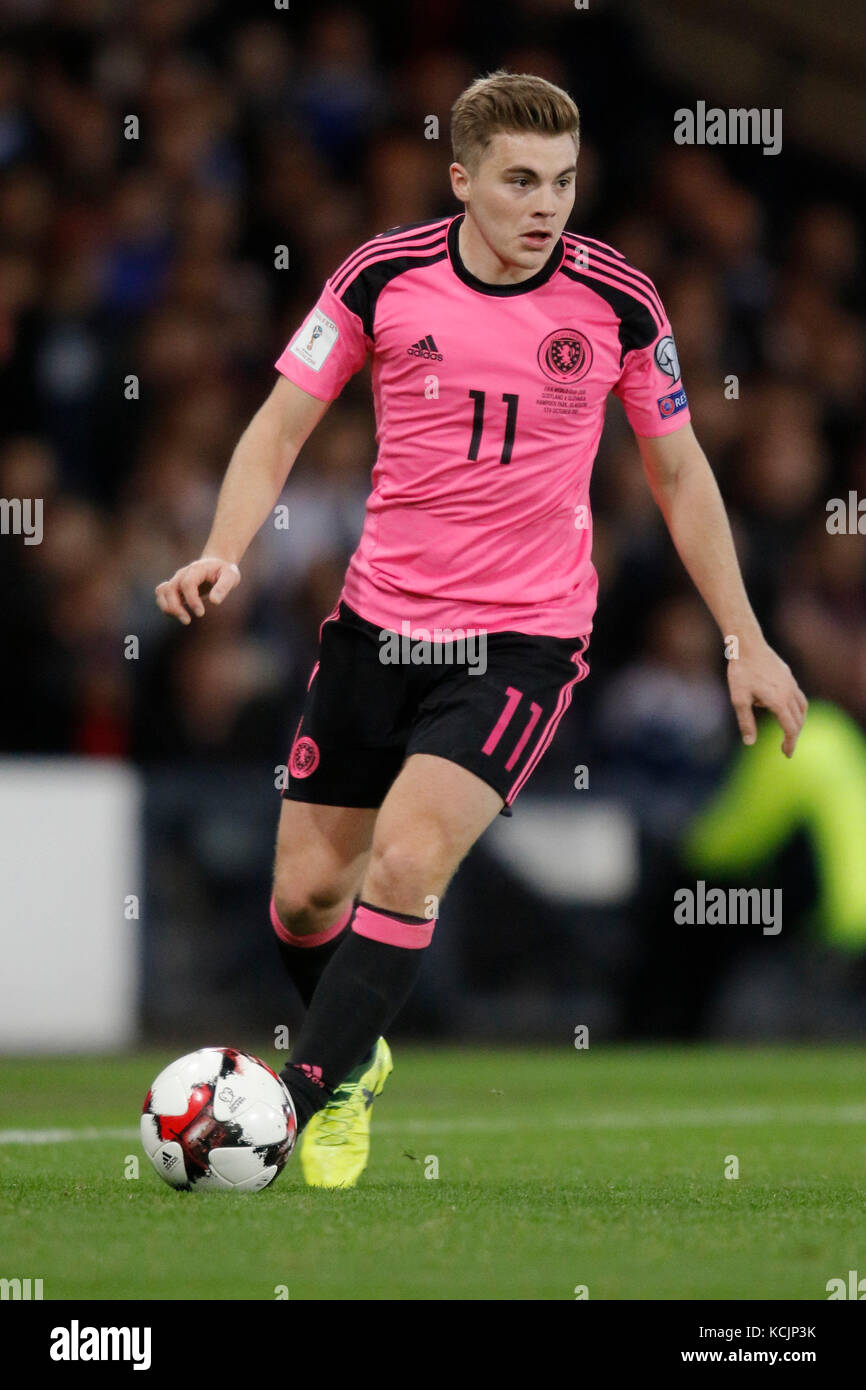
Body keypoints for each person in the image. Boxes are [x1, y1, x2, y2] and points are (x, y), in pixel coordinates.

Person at [155, 71, 807, 1187]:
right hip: (375, 626)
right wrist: (225, 546)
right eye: (517, 181)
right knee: (305, 897)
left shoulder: (619, 301)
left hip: (521, 640)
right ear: (460, 181)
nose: (544, 204)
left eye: (560, 180)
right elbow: (275, 429)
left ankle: (292, 1110)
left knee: (405, 864)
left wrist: (743, 635)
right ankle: (355, 1060)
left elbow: (679, 472)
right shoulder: (380, 276)